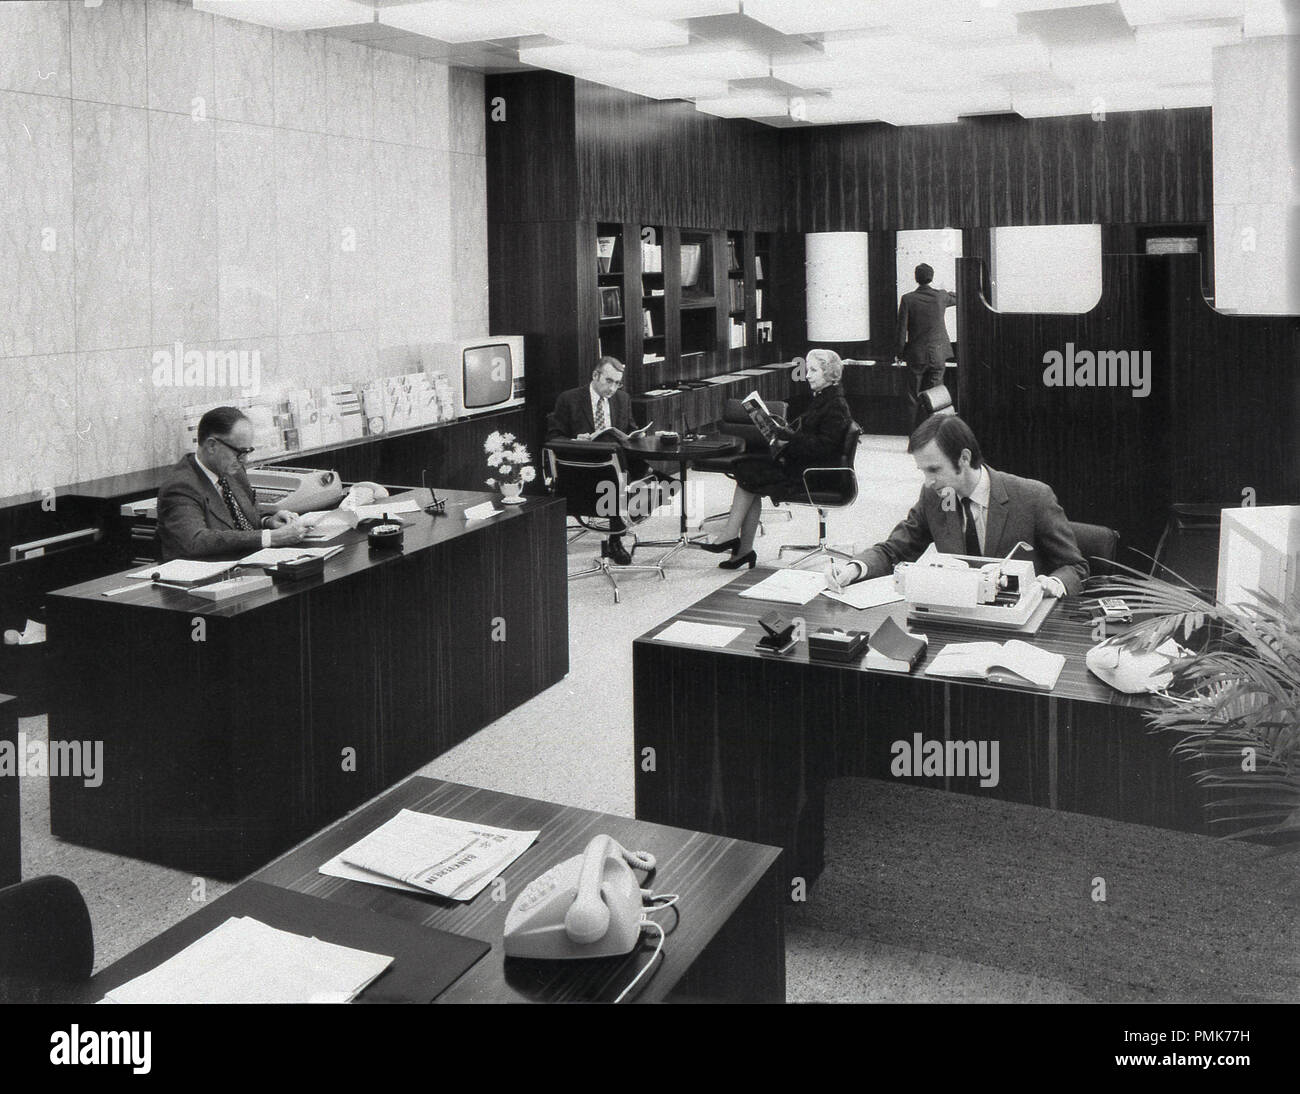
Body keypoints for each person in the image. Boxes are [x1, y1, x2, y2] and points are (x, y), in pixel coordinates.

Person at [829, 414, 1088, 597]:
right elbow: (894, 550)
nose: (928, 482)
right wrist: (854, 568)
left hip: (1017, 625)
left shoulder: (1033, 497)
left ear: (964, 458)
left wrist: (1055, 583)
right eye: (923, 471)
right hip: (957, 616)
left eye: (934, 470)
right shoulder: (936, 496)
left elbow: (1076, 567)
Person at [701, 348, 853, 570]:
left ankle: (732, 538)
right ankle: (742, 549)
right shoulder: (825, 398)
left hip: (815, 475)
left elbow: (823, 448)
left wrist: (789, 437)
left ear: (829, 374)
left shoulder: (836, 405)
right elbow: (813, 438)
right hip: (807, 466)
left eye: (813, 370)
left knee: (748, 473)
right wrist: (784, 432)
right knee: (746, 470)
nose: (807, 375)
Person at [157, 406, 303, 560]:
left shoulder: (233, 471)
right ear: (212, 445)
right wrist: (270, 537)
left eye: (247, 452)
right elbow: (195, 541)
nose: (244, 460)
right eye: (239, 452)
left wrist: (268, 522)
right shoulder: (180, 486)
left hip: (248, 565)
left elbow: (244, 517)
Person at [545, 356, 646, 566]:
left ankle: (615, 536)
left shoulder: (622, 399)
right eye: (608, 381)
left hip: (615, 463)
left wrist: (637, 435)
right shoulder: (569, 399)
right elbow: (553, 438)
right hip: (581, 468)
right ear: (595, 375)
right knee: (621, 484)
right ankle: (616, 539)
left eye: (618, 383)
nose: (613, 388)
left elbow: (629, 429)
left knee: (652, 482)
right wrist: (575, 440)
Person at [896, 262, 957, 428]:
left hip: (916, 356)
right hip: (938, 355)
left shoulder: (907, 299)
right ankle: (936, 437)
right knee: (936, 397)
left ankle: (914, 440)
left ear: (916, 278)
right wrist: (947, 290)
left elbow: (902, 330)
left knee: (912, 398)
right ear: (932, 277)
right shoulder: (941, 296)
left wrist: (899, 353)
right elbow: (958, 297)